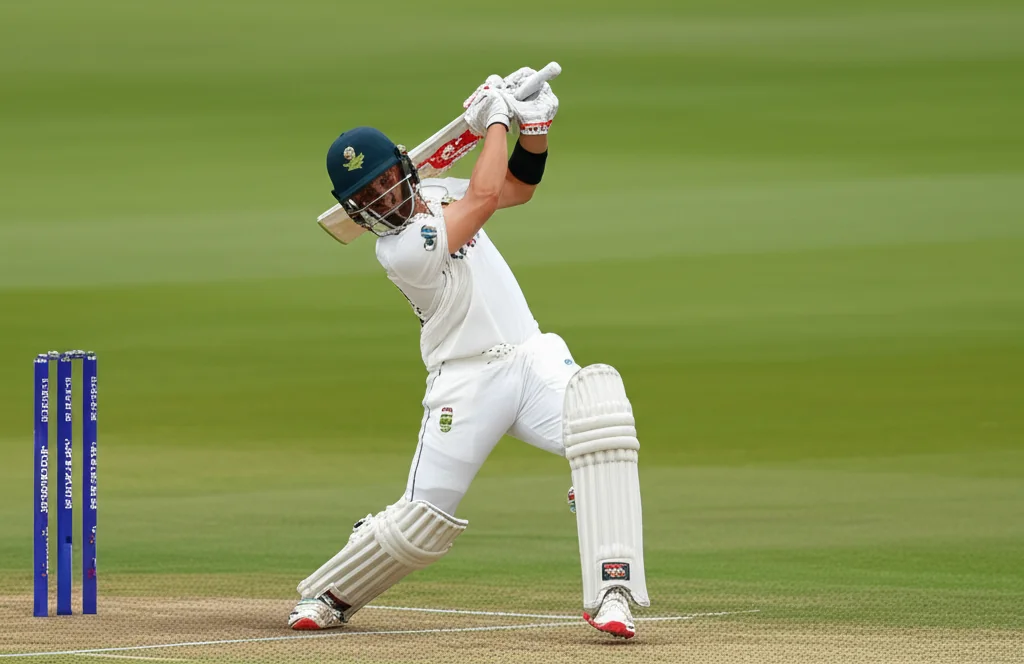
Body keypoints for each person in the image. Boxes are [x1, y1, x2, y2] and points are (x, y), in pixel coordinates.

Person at [288, 68, 650, 639]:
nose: (382, 200)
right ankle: (334, 592)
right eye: (366, 198)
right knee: (422, 521)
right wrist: (496, 118)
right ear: (355, 212)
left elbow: (516, 188)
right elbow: (481, 199)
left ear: (405, 170)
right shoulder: (399, 251)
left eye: (385, 182)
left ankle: (613, 593)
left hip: (530, 358)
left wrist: (533, 129)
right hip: (464, 380)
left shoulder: (434, 191)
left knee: (601, 428)